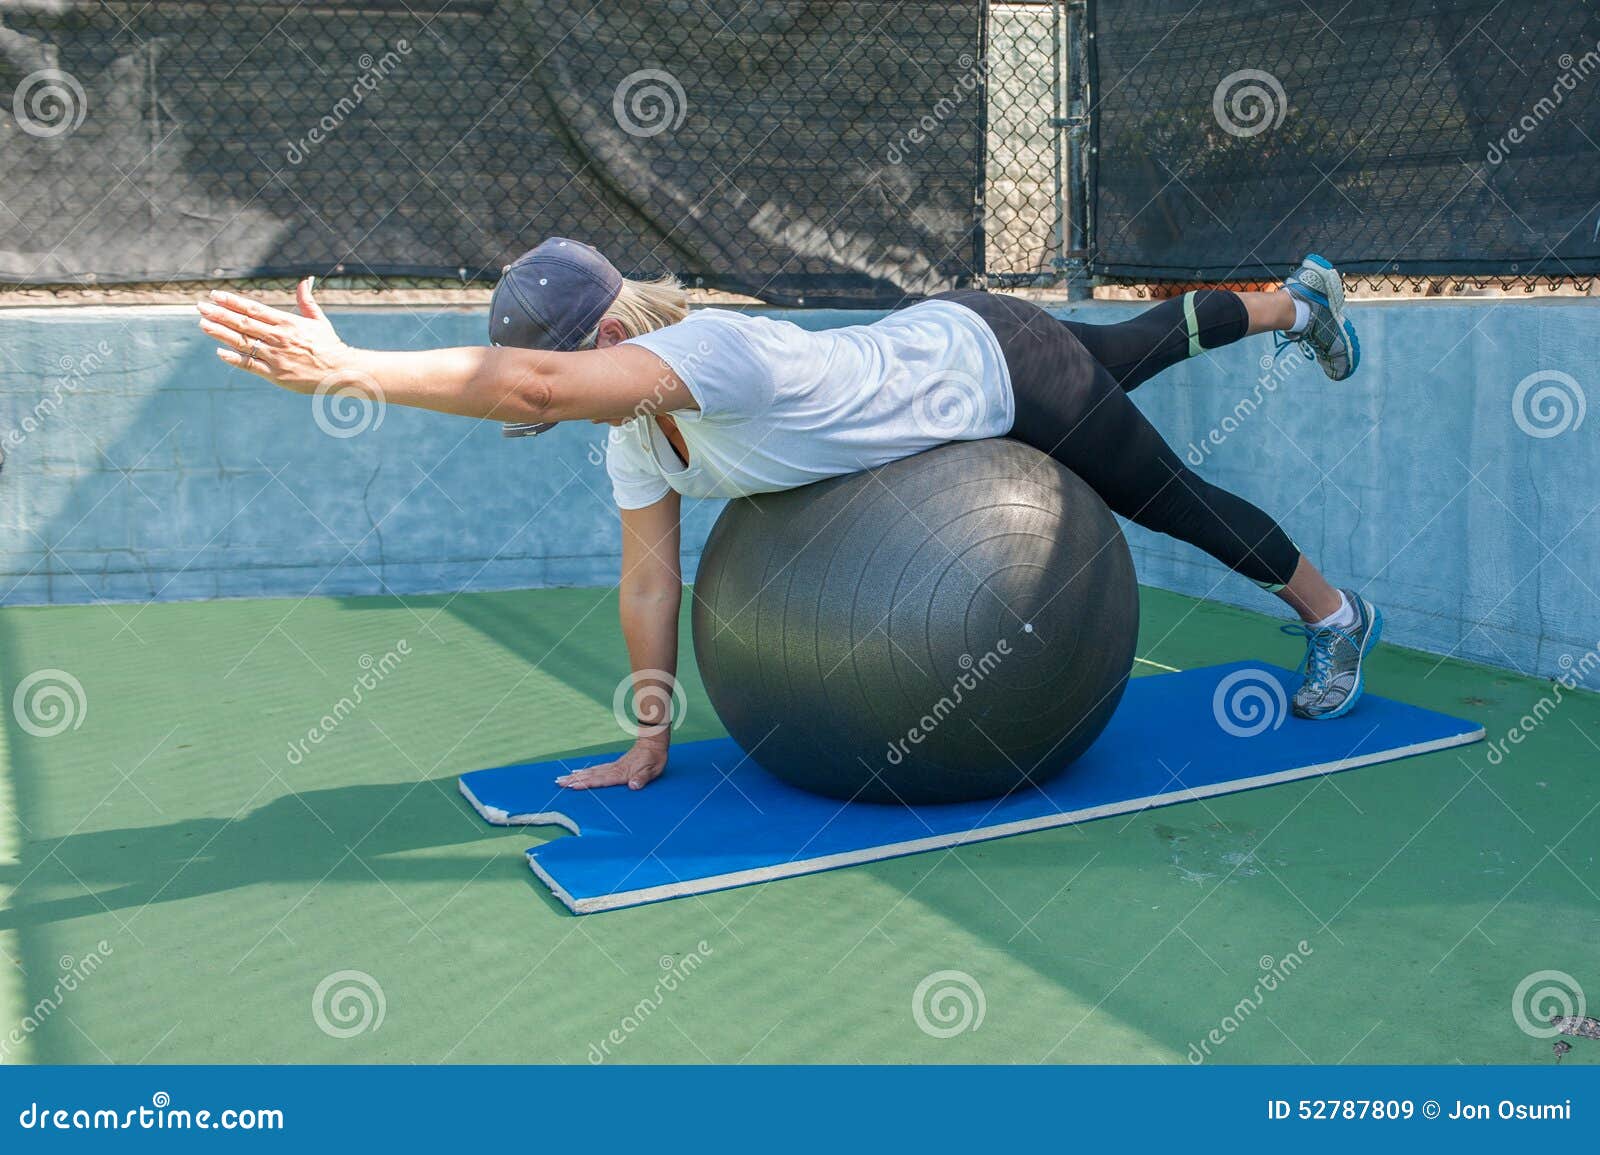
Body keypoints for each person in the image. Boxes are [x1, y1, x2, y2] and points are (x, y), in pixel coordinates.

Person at [196, 238, 1379, 792]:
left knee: (1159, 493)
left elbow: (535, 387)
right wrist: (651, 730)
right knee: (1131, 346)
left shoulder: (715, 355)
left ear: (607, 340)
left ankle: (1333, 613)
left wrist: (348, 367)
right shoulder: (634, 434)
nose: (550, 394)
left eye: (562, 364)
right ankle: (1297, 299)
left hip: (1000, 375)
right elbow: (651, 581)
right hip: (949, 324)